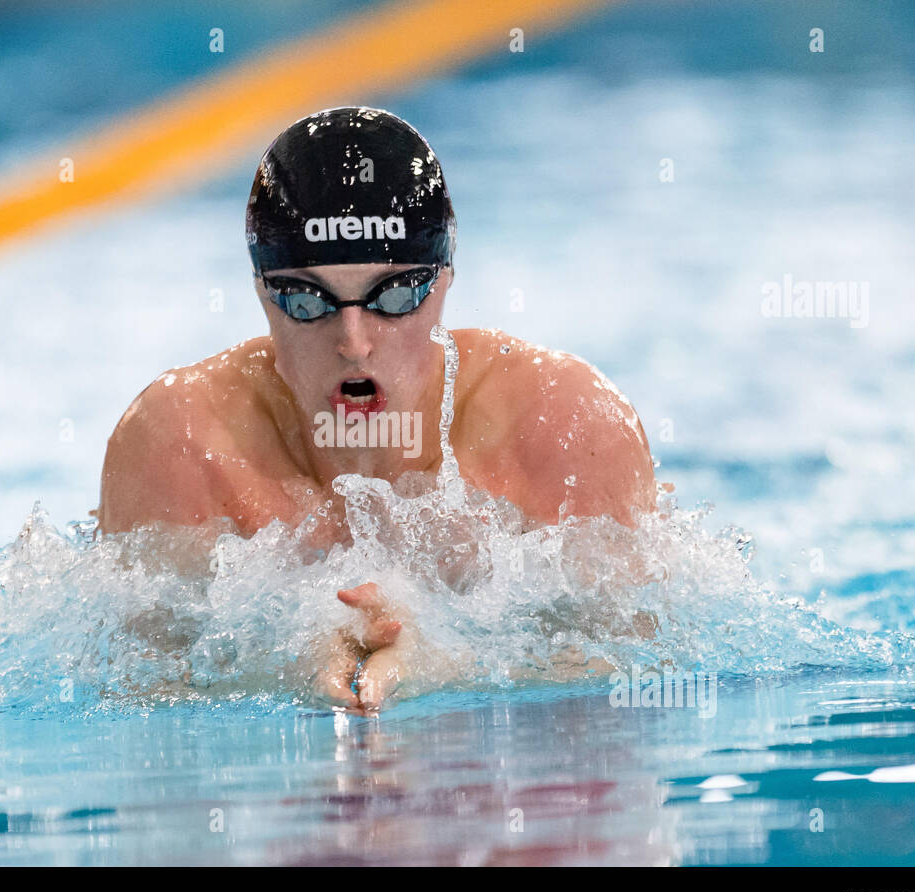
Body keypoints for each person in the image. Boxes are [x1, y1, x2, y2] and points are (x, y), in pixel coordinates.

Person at [98, 106, 657, 713]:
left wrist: (445, 663)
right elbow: (136, 696)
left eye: (396, 294)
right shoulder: (180, 443)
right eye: (308, 300)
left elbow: (644, 666)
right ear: (261, 290)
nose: (355, 341)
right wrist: (281, 665)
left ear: (445, 279)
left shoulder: (564, 427)